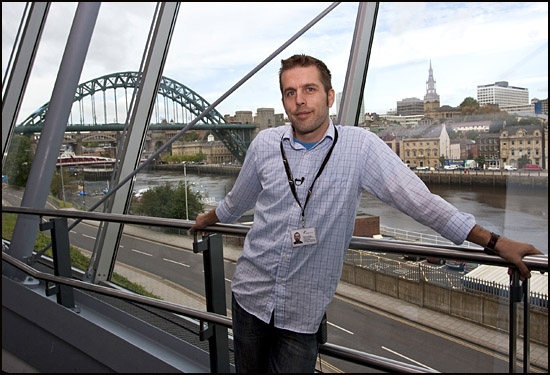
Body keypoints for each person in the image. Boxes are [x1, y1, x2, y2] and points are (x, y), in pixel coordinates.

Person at [190, 54, 543, 373]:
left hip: (302, 313)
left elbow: (421, 203)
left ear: (330, 97)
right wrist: (207, 219)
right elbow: (238, 201)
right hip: (249, 296)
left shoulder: (360, 148)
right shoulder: (265, 145)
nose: (300, 100)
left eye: (309, 89)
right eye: (290, 92)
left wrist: (495, 242)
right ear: (283, 101)